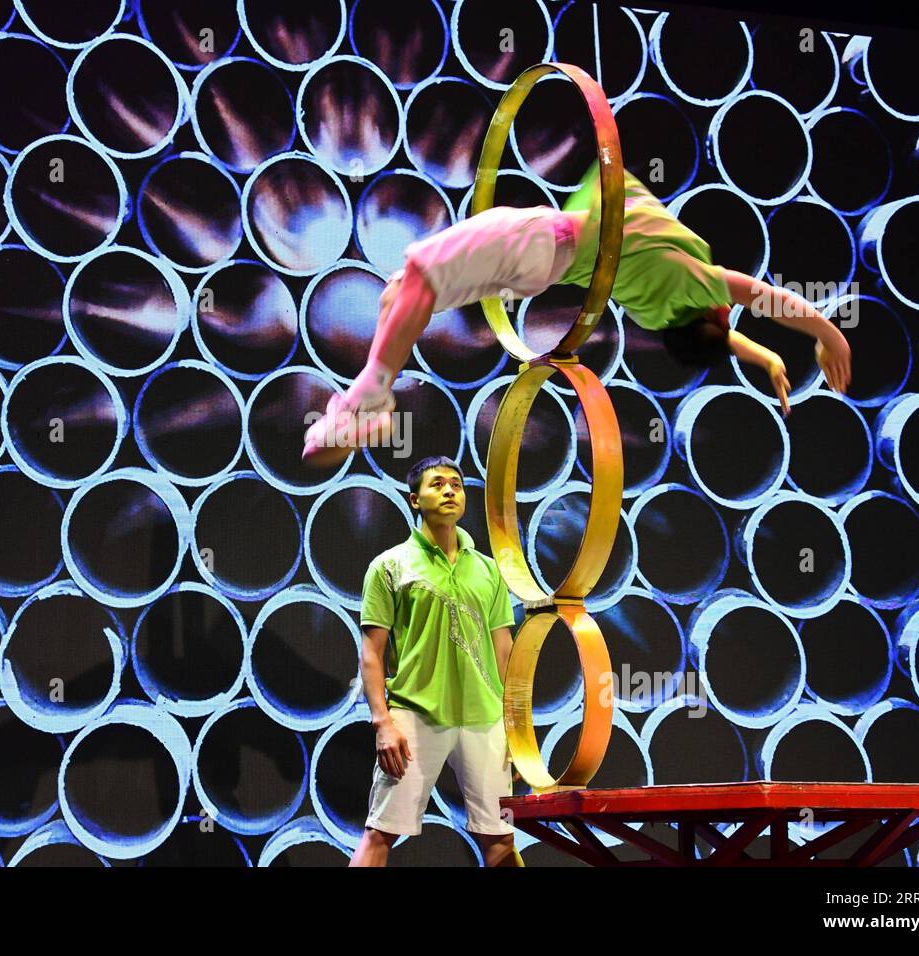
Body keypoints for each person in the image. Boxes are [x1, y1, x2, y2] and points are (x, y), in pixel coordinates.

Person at [301, 160, 854, 468]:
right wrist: (766, 357)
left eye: (725, 316)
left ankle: (370, 395)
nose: (729, 309)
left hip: (544, 242)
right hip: (541, 268)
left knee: (420, 274)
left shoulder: (689, 285)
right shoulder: (670, 313)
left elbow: (759, 295)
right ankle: (369, 403)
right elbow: (726, 331)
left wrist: (829, 335)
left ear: (708, 317)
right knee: (397, 295)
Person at [350, 455, 521, 867]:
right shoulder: (389, 566)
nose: (449, 491)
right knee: (379, 834)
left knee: (500, 840)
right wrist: (383, 723)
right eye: (438, 484)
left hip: (485, 718)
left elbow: (504, 650)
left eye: (457, 485)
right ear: (414, 499)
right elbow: (371, 652)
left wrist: (518, 730)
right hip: (415, 715)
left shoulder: (488, 570)